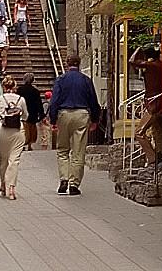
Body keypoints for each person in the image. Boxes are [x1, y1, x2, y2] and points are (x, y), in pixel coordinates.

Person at [48, 53, 101, 196]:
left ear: (67, 63)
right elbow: (93, 101)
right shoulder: (86, 80)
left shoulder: (61, 80)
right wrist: (95, 119)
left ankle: (64, 178)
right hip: (82, 114)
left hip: (64, 114)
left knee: (62, 149)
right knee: (78, 151)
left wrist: (53, 120)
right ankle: (74, 183)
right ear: (79, 64)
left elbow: (54, 101)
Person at [129, 47, 162, 168]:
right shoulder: (159, 65)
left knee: (139, 132)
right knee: (157, 131)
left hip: (153, 104)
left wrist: (138, 49)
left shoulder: (152, 65)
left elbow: (132, 61)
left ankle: (153, 158)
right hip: (156, 102)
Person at [0, 75, 29, 200]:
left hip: (3, 129)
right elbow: (25, 115)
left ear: (3, 86)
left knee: (4, 159)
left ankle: (3, 184)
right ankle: (11, 187)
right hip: (18, 130)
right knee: (14, 160)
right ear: (14, 86)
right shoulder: (21, 99)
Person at [17, 73, 45, 150]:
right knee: (32, 128)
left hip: (22, 111)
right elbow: (39, 103)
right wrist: (41, 114)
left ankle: (22, 143)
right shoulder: (35, 91)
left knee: (23, 128)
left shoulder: (19, 90)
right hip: (33, 112)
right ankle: (30, 144)